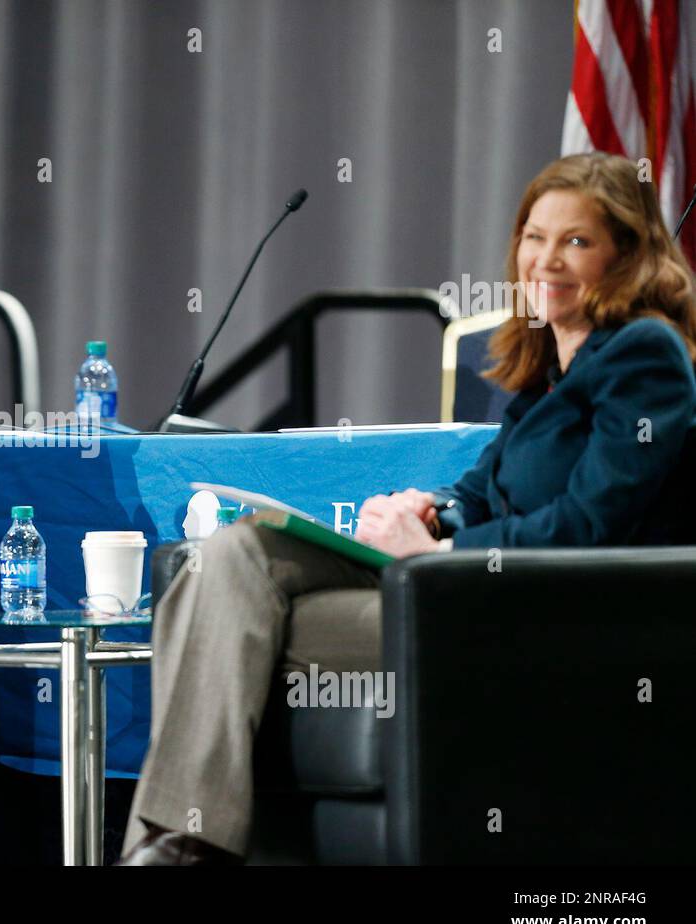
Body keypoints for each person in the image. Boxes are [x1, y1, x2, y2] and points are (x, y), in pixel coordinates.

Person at [118, 152, 696, 865]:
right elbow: (484, 487)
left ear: (627, 257)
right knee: (235, 557)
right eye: (534, 237)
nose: (546, 259)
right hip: (461, 585)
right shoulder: (550, 364)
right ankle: (177, 843)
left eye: (576, 241)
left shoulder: (645, 356)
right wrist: (431, 512)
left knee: (236, 615)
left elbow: (591, 523)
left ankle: (182, 845)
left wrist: (443, 555)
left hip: (545, 608)